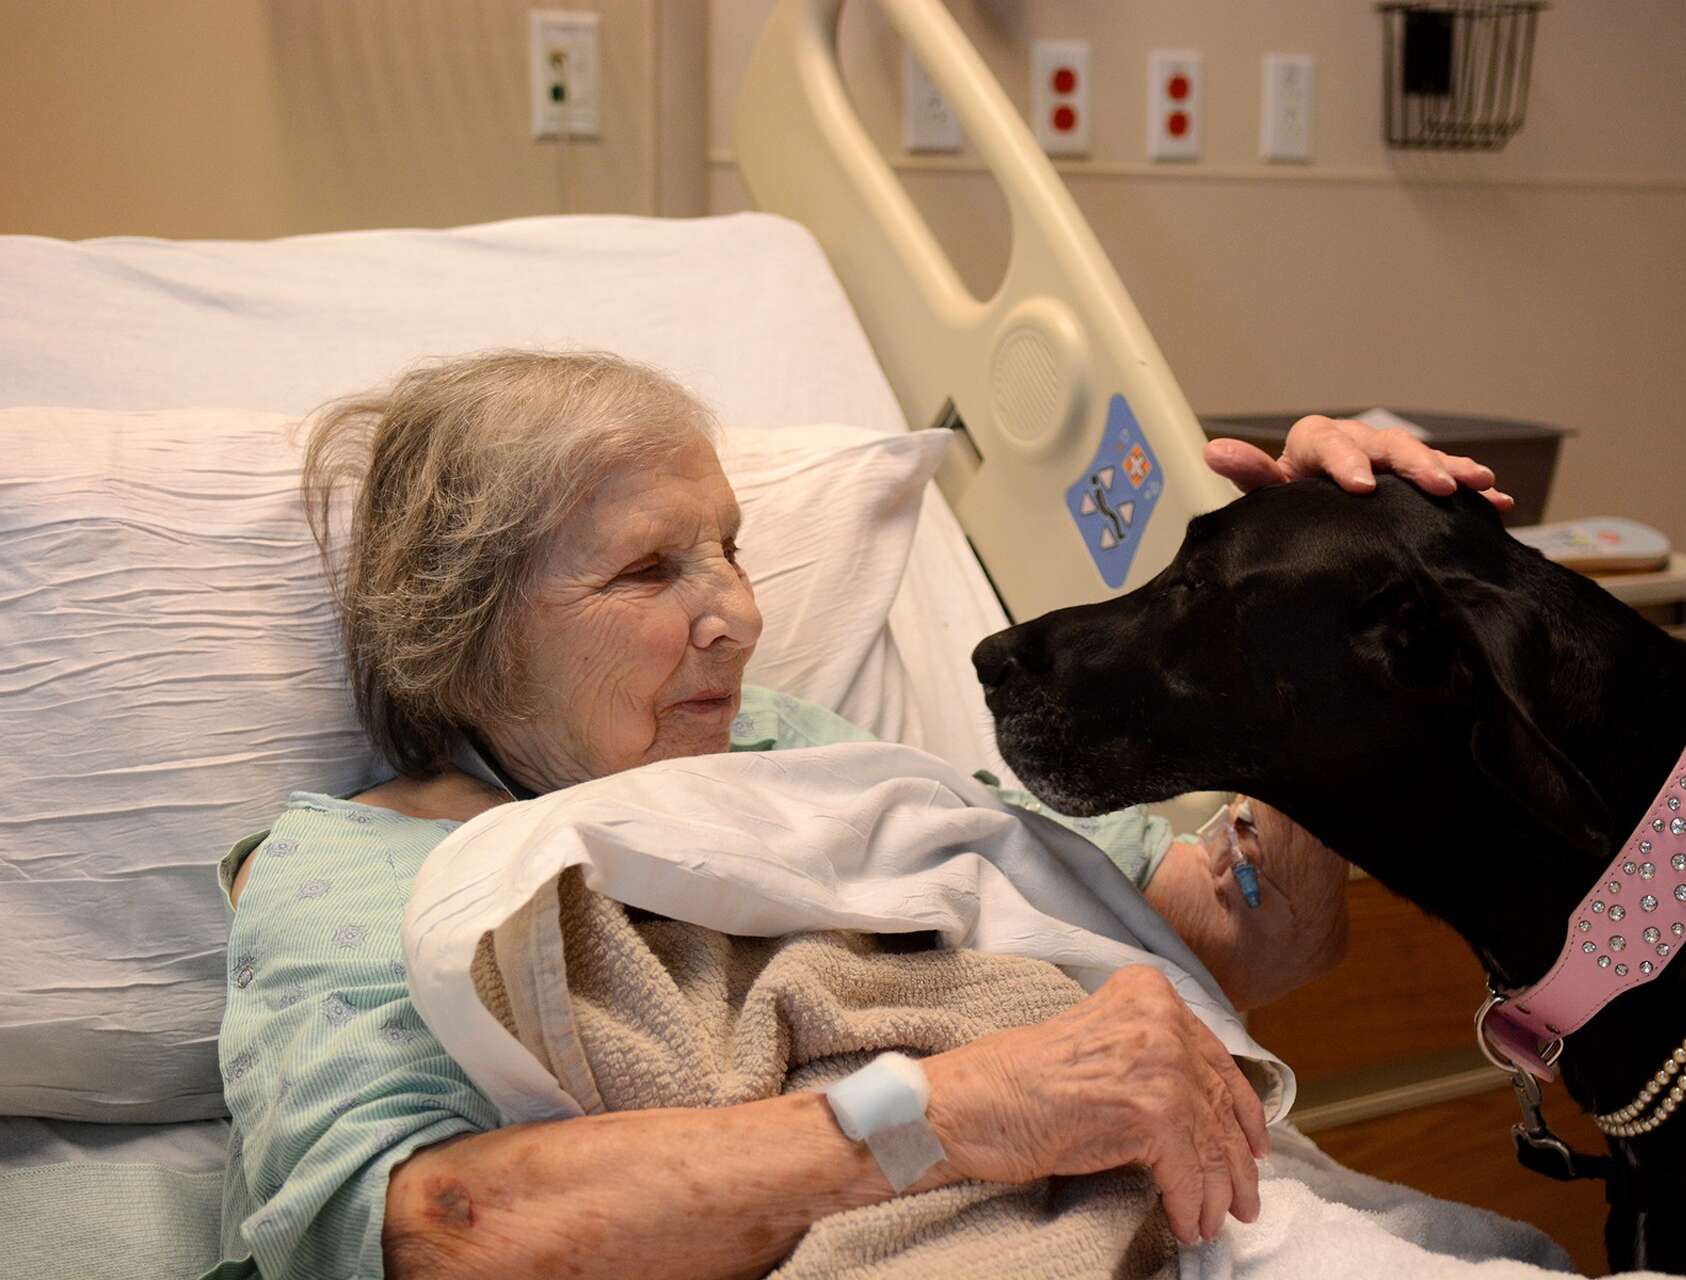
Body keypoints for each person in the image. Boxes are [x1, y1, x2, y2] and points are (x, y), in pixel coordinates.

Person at [209, 351, 1509, 1280]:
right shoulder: (355, 867)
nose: (739, 613)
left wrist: (1315, 652)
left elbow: (1242, 940)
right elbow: (434, 1234)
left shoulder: (785, 747)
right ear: (465, 626)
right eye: (654, 568)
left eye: (731, 550)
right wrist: (945, 1110)